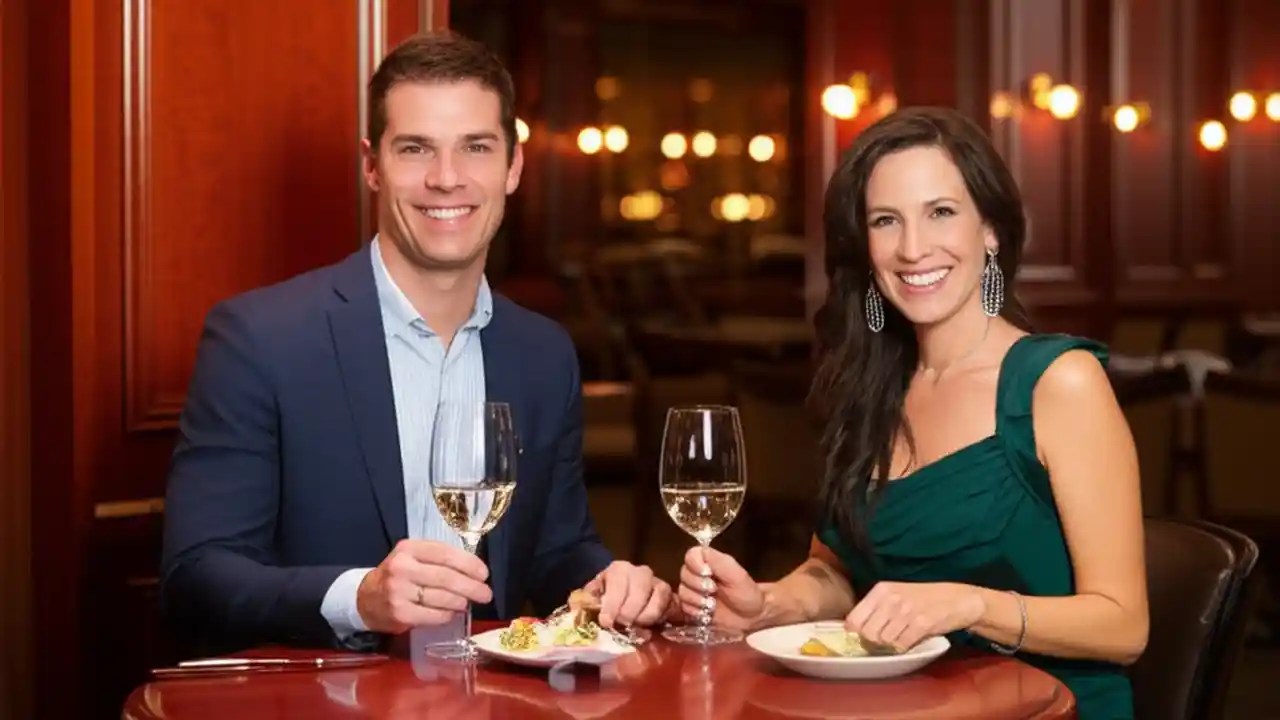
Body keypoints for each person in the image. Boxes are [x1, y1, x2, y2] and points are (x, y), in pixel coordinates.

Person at [161, 31, 670, 653]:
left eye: (476, 148)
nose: (447, 178)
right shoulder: (259, 339)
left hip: (490, 699)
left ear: (513, 168)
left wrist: (610, 584)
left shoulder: (543, 353)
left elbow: (556, 550)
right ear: (372, 166)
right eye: (416, 149)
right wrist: (361, 597)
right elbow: (198, 576)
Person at [675, 107, 1148, 718]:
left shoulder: (1058, 382)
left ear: (992, 230)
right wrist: (768, 605)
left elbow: (1124, 625)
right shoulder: (870, 386)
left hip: (1048, 707)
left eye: (941, 213)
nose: (913, 248)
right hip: (906, 706)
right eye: (885, 221)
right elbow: (838, 569)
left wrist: (971, 604)